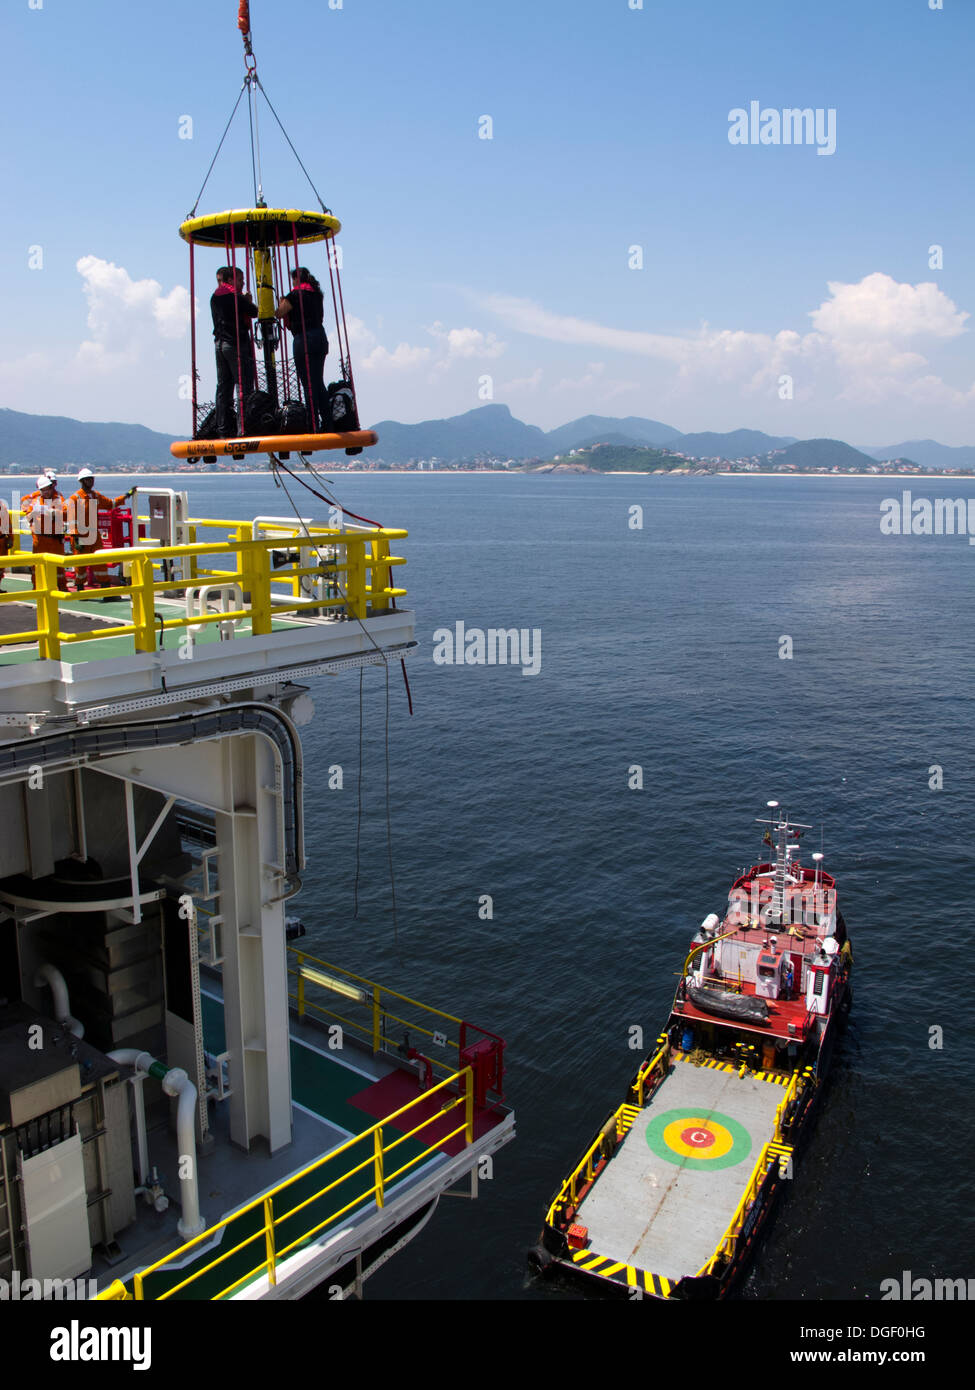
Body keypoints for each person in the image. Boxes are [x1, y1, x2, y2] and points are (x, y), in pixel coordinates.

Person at [276, 266, 328, 431]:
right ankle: (328, 422)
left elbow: (278, 313)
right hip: (320, 337)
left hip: (303, 339)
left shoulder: (294, 295)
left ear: (296, 279)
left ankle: (313, 424)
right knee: (318, 381)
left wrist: (281, 301)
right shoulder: (317, 294)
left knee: (308, 384)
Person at [66, 469, 135, 591]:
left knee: (100, 562)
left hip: (93, 535)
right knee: (80, 566)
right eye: (88, 479)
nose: (91, 482)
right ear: (82, 481)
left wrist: (126, 496)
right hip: (80, 537)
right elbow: (68, 517)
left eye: (92, 479)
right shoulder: (75, 498)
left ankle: (106, 589)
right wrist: (75, 537)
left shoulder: (95, 496)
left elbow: (110, 504)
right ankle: (80, 590)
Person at [211, 266, 257, 437]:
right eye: (240, 279)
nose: (243, 283)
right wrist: (249, 300)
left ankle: (222, 428)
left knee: (223, 387)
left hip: (219, 344)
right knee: (243, 385)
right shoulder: (236, 297)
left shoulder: (215, 297)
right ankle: (243, 428)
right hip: (236, 344)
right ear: (230, 280)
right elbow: (254, 312)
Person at [22, 475, 67, 591]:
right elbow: (28, 516)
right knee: (37, 566)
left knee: (59, 566)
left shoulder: (58, 499)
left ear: (51, 487)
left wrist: (48, 511)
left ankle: (62, 587)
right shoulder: (36, 501)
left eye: (48, 489)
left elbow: (64, 513)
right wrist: (32, 514)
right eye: (43, 490)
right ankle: (37, 588)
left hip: (55, 539)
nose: (46, 492)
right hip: (40, 539)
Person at [0, 495, 10, 591]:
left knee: (1, 567)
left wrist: (10, 538)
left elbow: (8, 524)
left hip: (1, 541)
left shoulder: (2, 507)